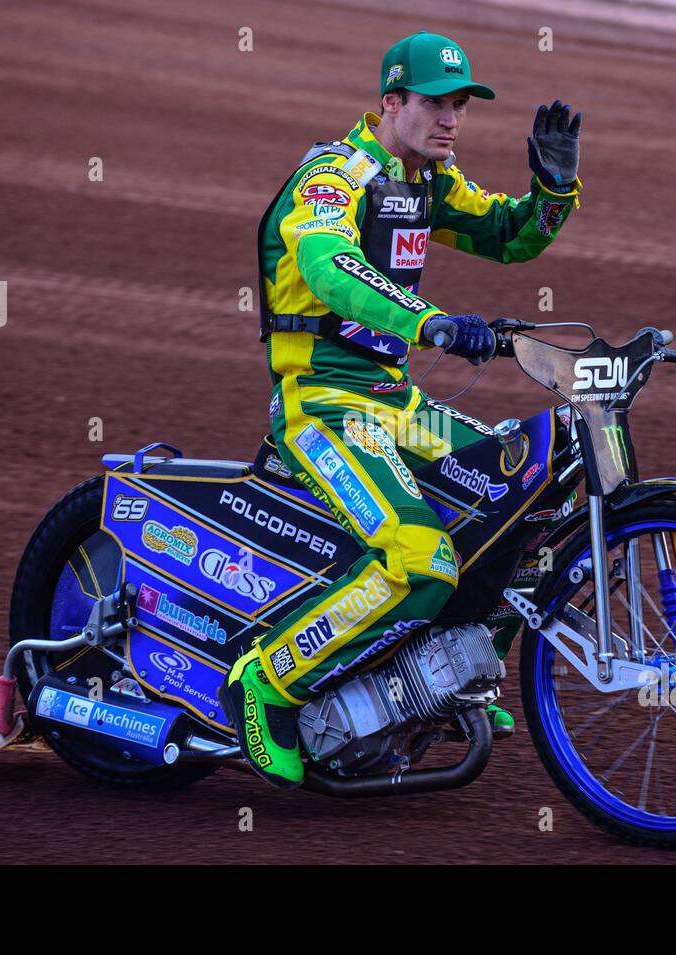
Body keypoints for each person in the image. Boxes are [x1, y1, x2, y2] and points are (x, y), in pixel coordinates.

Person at [220, 30, 583, 788]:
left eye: (458, 105)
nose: (450, 119)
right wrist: (428, 321)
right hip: (322, 406)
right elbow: (328, 265)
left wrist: (552, 194)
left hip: (397, 405)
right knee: (421, 558)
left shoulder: (429, 181)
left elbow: (510, 239)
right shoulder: (333, 174)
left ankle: (451, 673)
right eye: (433, 103)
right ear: (391, 102)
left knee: (527, 496)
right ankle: (267, 682)